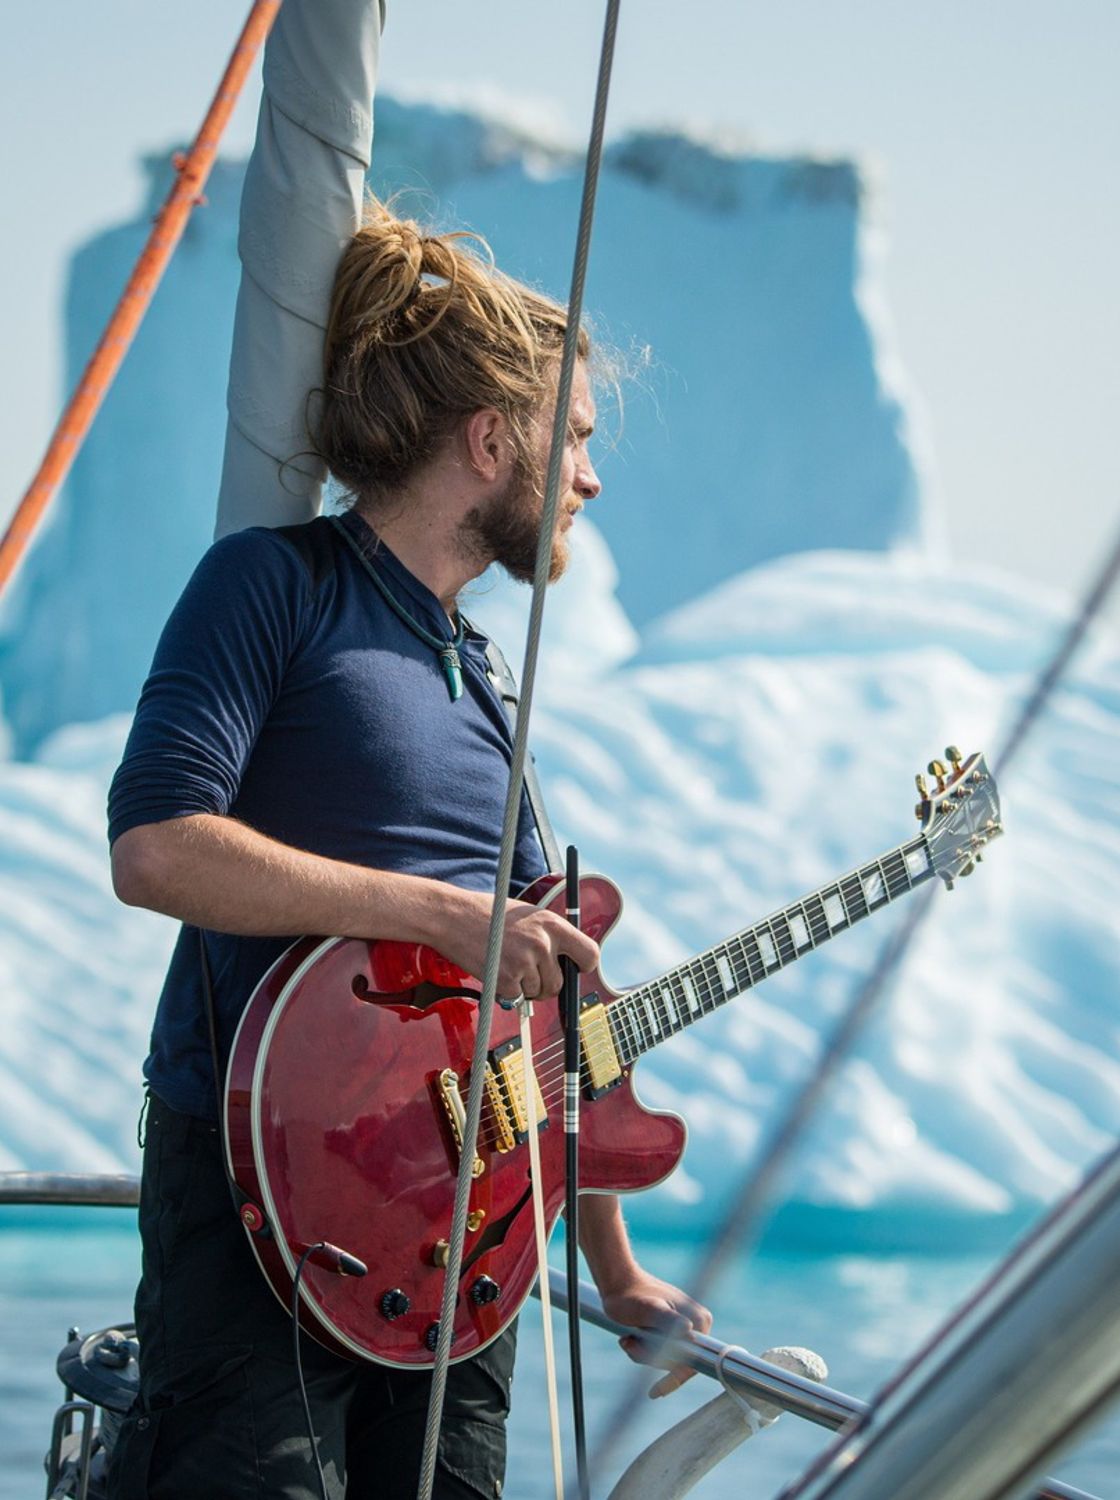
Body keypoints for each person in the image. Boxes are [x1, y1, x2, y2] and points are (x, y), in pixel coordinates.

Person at [104, 188, 711, 1497]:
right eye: (579, 442)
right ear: (491, 441)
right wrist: (443, 916)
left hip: (462, 1245)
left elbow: (557, 1021)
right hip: (259, 1192)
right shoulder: (277, 588)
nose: (595, 480)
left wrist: (612, 1271)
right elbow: (154, 847)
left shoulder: (487, 678)